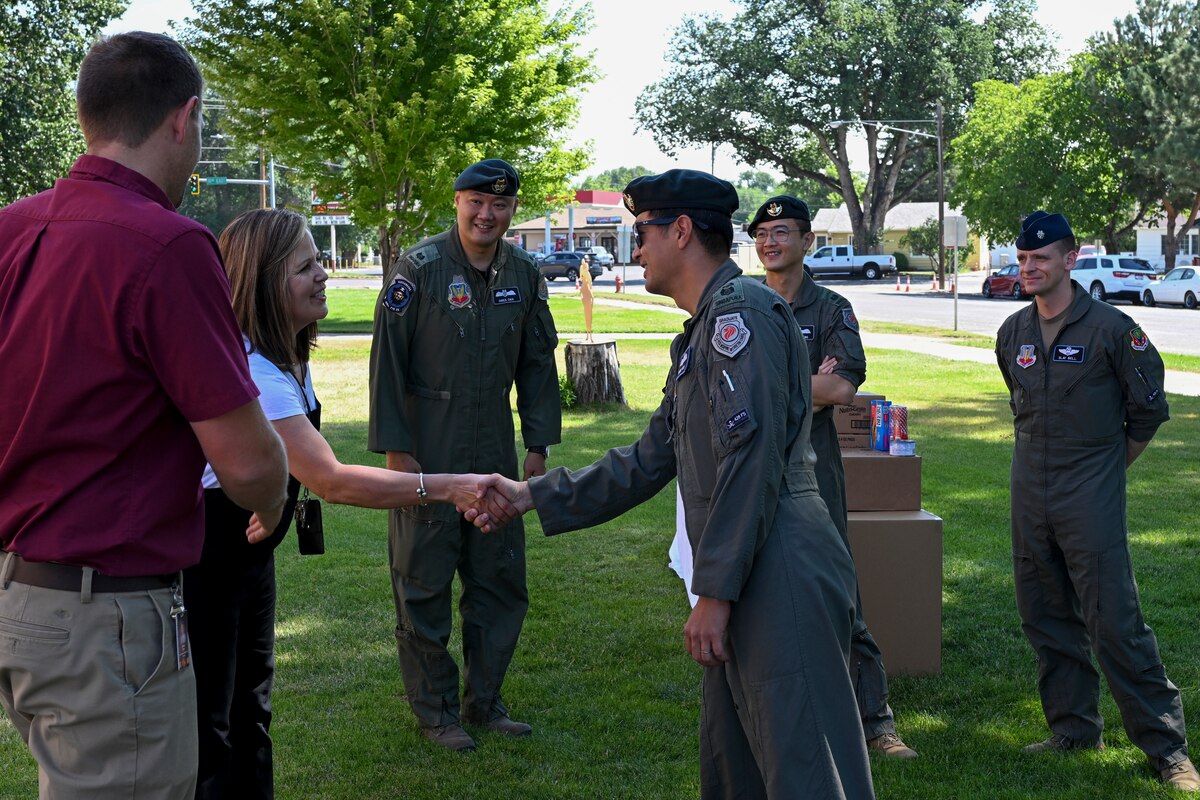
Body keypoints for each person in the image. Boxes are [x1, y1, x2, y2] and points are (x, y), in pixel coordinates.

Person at [468, 170, 875, 799]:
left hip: (777, 561)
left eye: (642, 232)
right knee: (737, 765)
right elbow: (651, 456)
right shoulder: (704, 330)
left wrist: (714, 591)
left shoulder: (740, 318)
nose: (635, 249)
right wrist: (532, 495)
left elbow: (752, 459)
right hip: (744, 561)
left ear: (681, 231)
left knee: (805, 769)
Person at [0, 32, 289, 799]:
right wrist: (273, 499)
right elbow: (249, 461)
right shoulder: (168, 244)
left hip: (20, 594)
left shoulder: (11, 229)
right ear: (184, 117)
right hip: (108, 615)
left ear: (87, 116)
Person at [187, 209, 515, 794]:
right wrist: (446, 485)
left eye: (320, 262)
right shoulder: (255, 372)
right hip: (210, 562)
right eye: (305, 267)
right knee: (214, 724)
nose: (323, 276)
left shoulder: (287, 355)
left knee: (249, 714)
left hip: (249, 560)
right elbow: (330, 479)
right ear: (264, 282)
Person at [671, 194, 917, 758]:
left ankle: (875, 721)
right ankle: (769, 702)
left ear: (809, 241)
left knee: (839, 594)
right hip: (740, 472)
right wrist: (802, 382)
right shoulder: (739, 304)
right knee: (753, 587)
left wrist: (764, 385)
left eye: (782, 232)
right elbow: (812, 389)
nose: (769, 242)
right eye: (761, 234)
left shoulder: (830, 309)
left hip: (809, 477)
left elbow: (842, 389)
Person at [995, 211, 1199, 792]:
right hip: (1028, 489)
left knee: (1114, 620)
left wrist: (1105, 469)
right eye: (1024, 258)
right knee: (1046, 615)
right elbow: (1022, 403)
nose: (1029, 267)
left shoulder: (1113, 330)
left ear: (1070, 258)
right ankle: (1073, 728)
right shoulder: (1013, 332)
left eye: (1041, 258)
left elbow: (1149, 410)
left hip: (1089, 493)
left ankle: (1167, 749)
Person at [368, 158, 562, 752]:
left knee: (499, 581)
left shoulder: (524, 273)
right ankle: (436, 713)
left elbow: (536, 364)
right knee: (422, 586)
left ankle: (485, 701)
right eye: (477, 201)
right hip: (429, 456)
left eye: (500, 205)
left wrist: (536, 445)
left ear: (511, 210)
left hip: (496, 456)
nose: (487, 214)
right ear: (457, 202)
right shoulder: (419, 269)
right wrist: (398, 455)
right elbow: (388, 365)